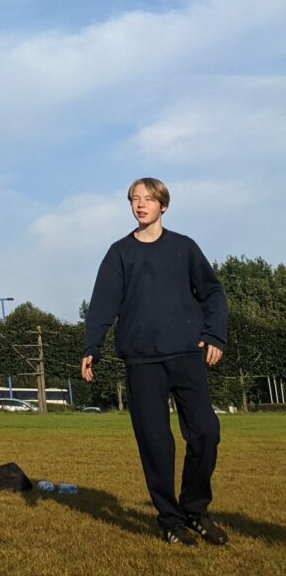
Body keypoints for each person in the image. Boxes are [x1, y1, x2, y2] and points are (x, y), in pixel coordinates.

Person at [82, 177, 228, 546]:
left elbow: (212, 292)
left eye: (149, 199)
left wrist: (214, 335)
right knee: (156, 442)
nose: (141, 204)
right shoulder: (119, 253)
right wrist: (92, 346)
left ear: (163, 205)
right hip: (142, 361)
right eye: (135, 199)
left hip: (185, 355)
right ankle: (170, 520)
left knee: (206, 432)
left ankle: (196, 510)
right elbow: (102, 304)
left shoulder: (184, 248)